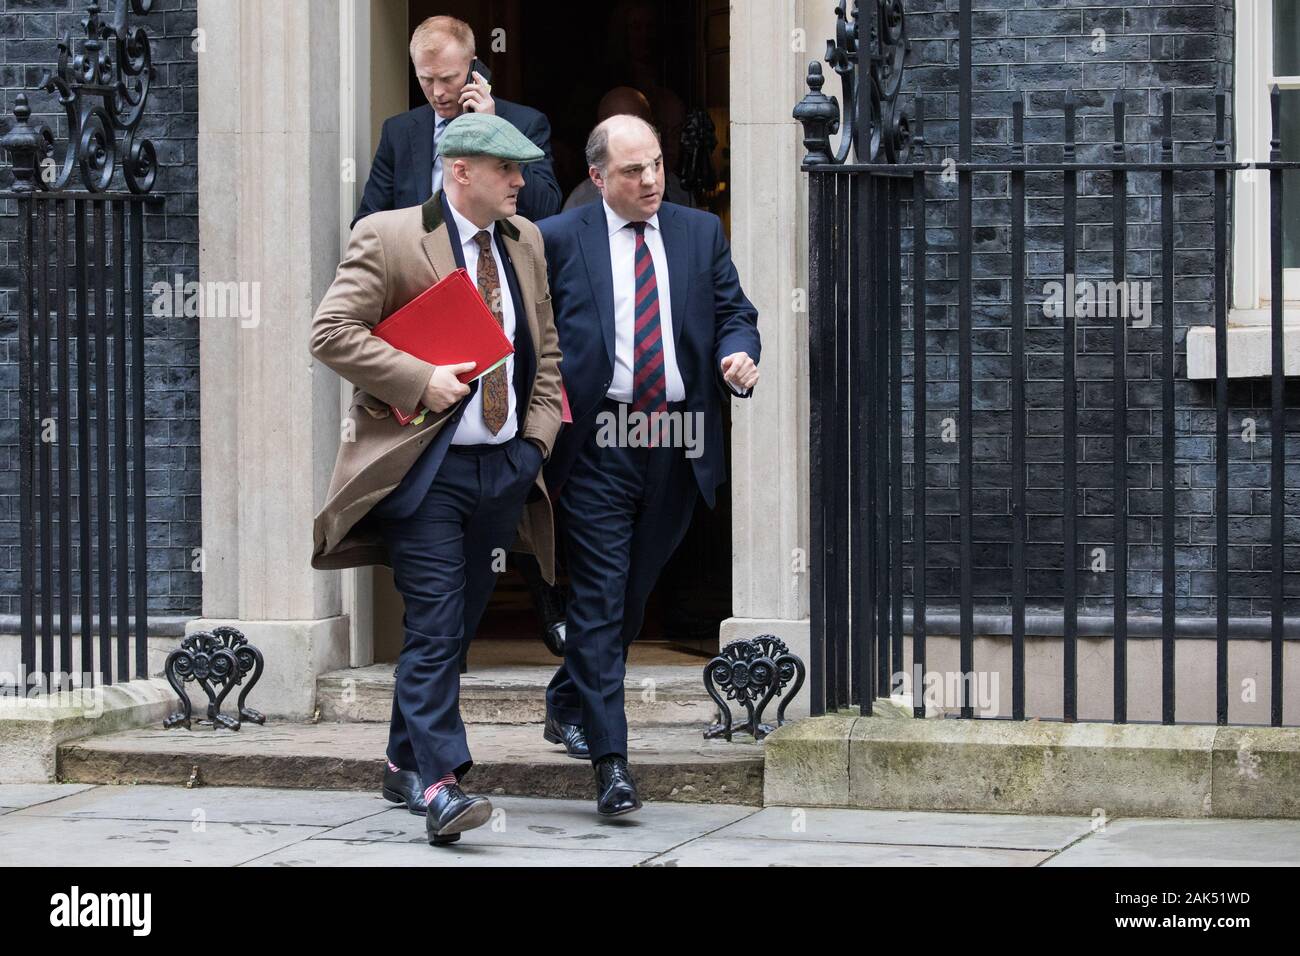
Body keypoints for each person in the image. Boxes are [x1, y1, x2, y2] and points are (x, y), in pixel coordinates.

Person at [309, 113, 563, 846]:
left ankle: (399, 758)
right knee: (435, 623)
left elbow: (544, 356)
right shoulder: (388, 236)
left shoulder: (528, 241)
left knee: (452, 632)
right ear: (462, 173)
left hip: (504, 468)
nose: (521, 183)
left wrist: (534, 447)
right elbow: (330, 332)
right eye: (507, 171)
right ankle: (441, 784)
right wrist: (422, 377)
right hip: (424, 471)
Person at [538, 115, 761, 816]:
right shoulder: (557, 239)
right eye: (633, 171)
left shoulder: (700, 233)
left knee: (632, 598)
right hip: (598, 444)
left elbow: (736, 310)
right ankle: (612, 763)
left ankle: (565, 696)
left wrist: (739, 352)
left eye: (657, 165)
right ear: (598, 177)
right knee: (601, 600)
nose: (651, 181)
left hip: (675, 439)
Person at [353, 15, 562, 227]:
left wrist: (492, 129)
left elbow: (545, 209)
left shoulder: (526, 122)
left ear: (473, 70)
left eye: (448, 78)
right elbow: (366, 221)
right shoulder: (398, 131)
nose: (438, 93)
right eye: (426, 80)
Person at [563, 88, 691, 211]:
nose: (629, 137)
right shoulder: (581, 203)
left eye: (638, 125)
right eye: (619, 129)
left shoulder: (679, 191)